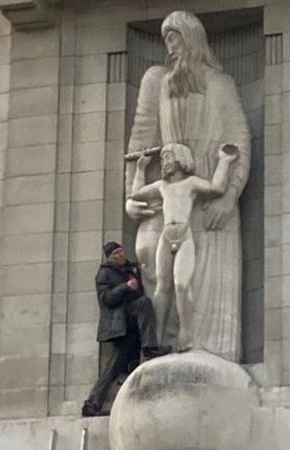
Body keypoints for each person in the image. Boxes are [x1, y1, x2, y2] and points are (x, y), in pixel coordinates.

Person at [124, 10, 251, 361]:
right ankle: (158, 349)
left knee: (199, 286)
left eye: (176, 37)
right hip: (165, 201)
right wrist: (129, 198)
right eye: (166, 39)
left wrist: (231, 194)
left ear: (192, 38)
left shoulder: (221, 84)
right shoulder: (156, 81)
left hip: (212, 198)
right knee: (157, 272)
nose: (171, 47)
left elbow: (239, 142)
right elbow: (139, 145)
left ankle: (212, 356)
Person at [131, 143, 238, 351]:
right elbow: (136, 194)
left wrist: (224, 161)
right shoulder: (162, 186)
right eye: (162, 159)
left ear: (180, 159)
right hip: (166, 236)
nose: (164, 163)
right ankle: (157, 339)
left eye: (168, 157)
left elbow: (217, 188)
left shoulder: (191, 183)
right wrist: (141, 168)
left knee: (181, 284)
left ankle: (185, 332)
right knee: (162, 288)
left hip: (184, 236)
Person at [81, 241, 171, 417]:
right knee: (144, 303)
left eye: (121, 252)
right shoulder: (105, 274)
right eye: (115, 254)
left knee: (114, 366)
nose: (120, 256)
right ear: (109, 258)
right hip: (121, 323)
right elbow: (106, 299)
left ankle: (92, 404)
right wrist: (125, 287)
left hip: (134, 325)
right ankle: (149, 348)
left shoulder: (131, 269)